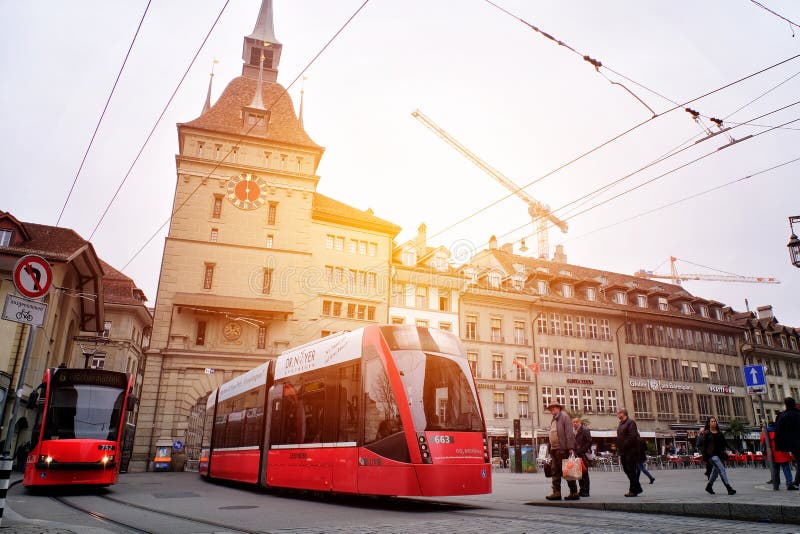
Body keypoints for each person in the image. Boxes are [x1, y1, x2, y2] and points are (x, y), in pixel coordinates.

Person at [545, 401, 579, 501]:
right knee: (555, 471)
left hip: (562, 449)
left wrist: (570, 448)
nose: (552, 410)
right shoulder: (553, 420)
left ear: (558, 408)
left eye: (553, 408)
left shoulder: (564, 417)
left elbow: (569, 433)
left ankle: (574, 492)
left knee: (567, 471)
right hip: (554, 449)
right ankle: (556, 493)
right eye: (551, 408)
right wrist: (550, 448)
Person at [698, 416, 736, 495]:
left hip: (720, 455)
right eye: (712, 421)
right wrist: (705, 457)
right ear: (709, 423)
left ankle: (709, 486)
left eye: (715, 421)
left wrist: (733, 449)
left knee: (715, 472)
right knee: (722, 469)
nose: (714, 423)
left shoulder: (719, 433)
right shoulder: (707, 433)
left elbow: (725, 443)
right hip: (712, 456)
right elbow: (703, 446)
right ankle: (729, 488)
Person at [616, 408, 643, 497]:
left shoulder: (630, 422)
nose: (617, 414)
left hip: (630, 451)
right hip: (623, 451)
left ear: (623, 414)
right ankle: (637, 488)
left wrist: (624, 445)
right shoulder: (621, 424)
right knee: (627, 470)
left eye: (618, 413)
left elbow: (632, 436)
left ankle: (634, 490)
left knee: (631, 471)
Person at [762, 421, 796, 490]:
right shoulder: (781, 431)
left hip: (772, 455)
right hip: (783, 454)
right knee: (786, 470)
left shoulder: (765, 433)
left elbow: (762, 442)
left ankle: (776, 485)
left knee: (775, 471)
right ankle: (789, 484)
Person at [775, 397, 800, 486]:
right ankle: (796, 481)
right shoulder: (798, 414)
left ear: (785, 405)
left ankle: (796, 481)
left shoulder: (782, 416)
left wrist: (778, 445)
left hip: (792, 444)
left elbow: (778, 431)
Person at [572, 417, 592, 497]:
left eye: (576, 422)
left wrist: (582, 450)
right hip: (577, 454)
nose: (575, 423)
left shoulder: (584, 430)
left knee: (584, 473)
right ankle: (581, 490)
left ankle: (586, 491)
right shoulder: (573, 431)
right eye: (573, 422)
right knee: (579, 473)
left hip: (582, 454)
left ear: (580, 422)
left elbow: (589, 441)